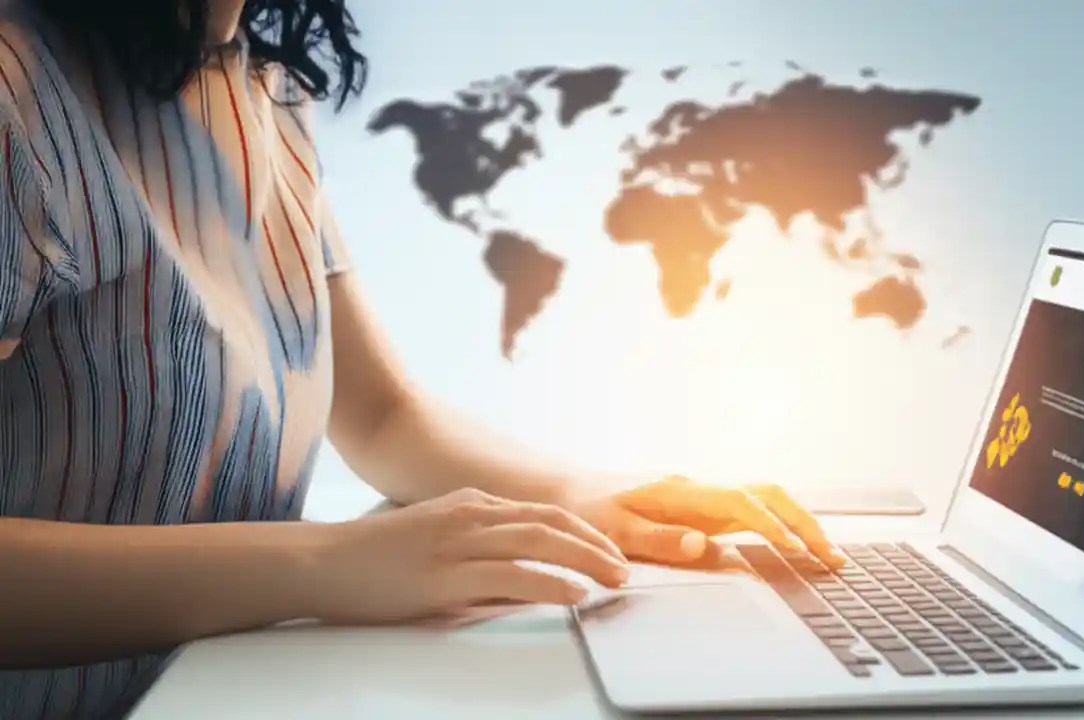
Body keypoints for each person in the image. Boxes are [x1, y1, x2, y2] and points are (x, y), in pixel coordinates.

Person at [0, 0, 842, 716]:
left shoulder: (265, 85)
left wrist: (587, 497)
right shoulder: (17, 88)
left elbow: (380, 414)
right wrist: (325, 567)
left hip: (231, 691)